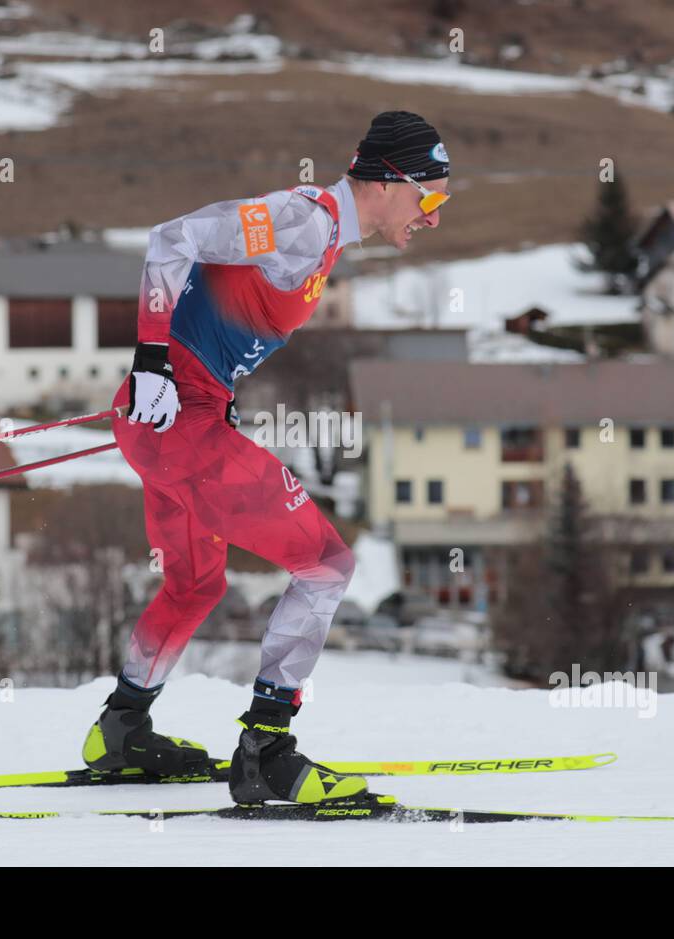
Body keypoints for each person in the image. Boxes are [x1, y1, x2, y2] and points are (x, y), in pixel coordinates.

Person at [81, 111, 451, 804]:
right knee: (328, 565)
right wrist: (155, 359)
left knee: (195, 584)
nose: (433, 217)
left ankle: (121, 730)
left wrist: (185, 381)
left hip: (161, 423)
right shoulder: (301, 221)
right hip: (175, 421)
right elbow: (171, 239)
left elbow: (213, 316)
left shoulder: (328, 236)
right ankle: (267, 752)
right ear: (389, 181)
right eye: (431, 197)